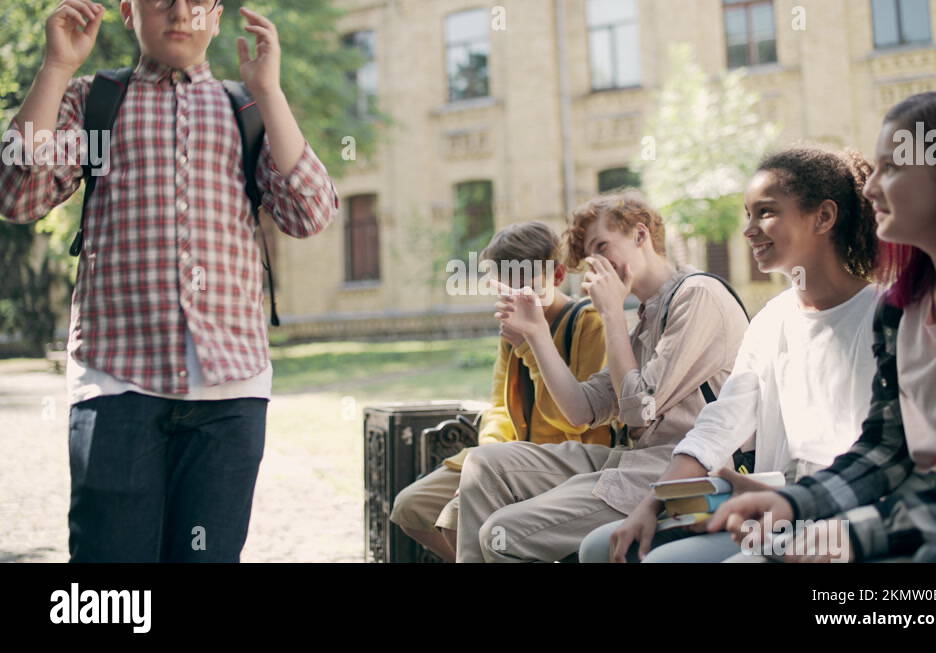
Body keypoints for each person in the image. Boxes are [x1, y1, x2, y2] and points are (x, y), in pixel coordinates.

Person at [0, 0, 339, 562]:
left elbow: (310, 214)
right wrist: (55, 69)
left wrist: (271, 92)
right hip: (117, 382)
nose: (180, 13)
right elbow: (16, 193)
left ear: (217, 15)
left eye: (196, 3)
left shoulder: (248, 108)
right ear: (131, 11)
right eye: (162, 1)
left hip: (230, 388)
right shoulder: (95, 101)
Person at [710, 90, 936, 563]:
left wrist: (856, 534)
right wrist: (792, 503)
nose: (869, 187)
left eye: (894, 167)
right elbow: (887, 449)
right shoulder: (900, 312)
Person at [579, 147, 884, 563]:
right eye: (748, 214)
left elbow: (885, 452)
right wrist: (650, 504)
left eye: (766, 212)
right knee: (601, 546)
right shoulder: (772, 319)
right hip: (774, 511)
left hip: (841, 516)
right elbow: (719, 424)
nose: (749, 229)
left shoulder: (884, 316)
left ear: (824, 217)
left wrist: (793, 503)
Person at [455, 189, 749, 562]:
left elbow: (639, 410)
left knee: (503, 533)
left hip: (677, 475)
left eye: (601, 247)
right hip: (630, 461)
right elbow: (581, 410)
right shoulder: (646, 316)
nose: (596, 265)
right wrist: (535, 336)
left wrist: (611, 312)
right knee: (485, 466)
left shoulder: (699, 295)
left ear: (640, 236)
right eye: (590, 258)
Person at [389, 221, 611, 562]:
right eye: (506, 289)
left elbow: (577, 421)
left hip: (570, 461)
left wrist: (528, 348)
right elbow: (500, 407)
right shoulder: (511, 326)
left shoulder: (588, 324)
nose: (516, 299)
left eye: (527, 288)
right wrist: (485, 460)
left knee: (455, 519)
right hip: (508, 457)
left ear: (557, 275)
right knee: (411, 507)